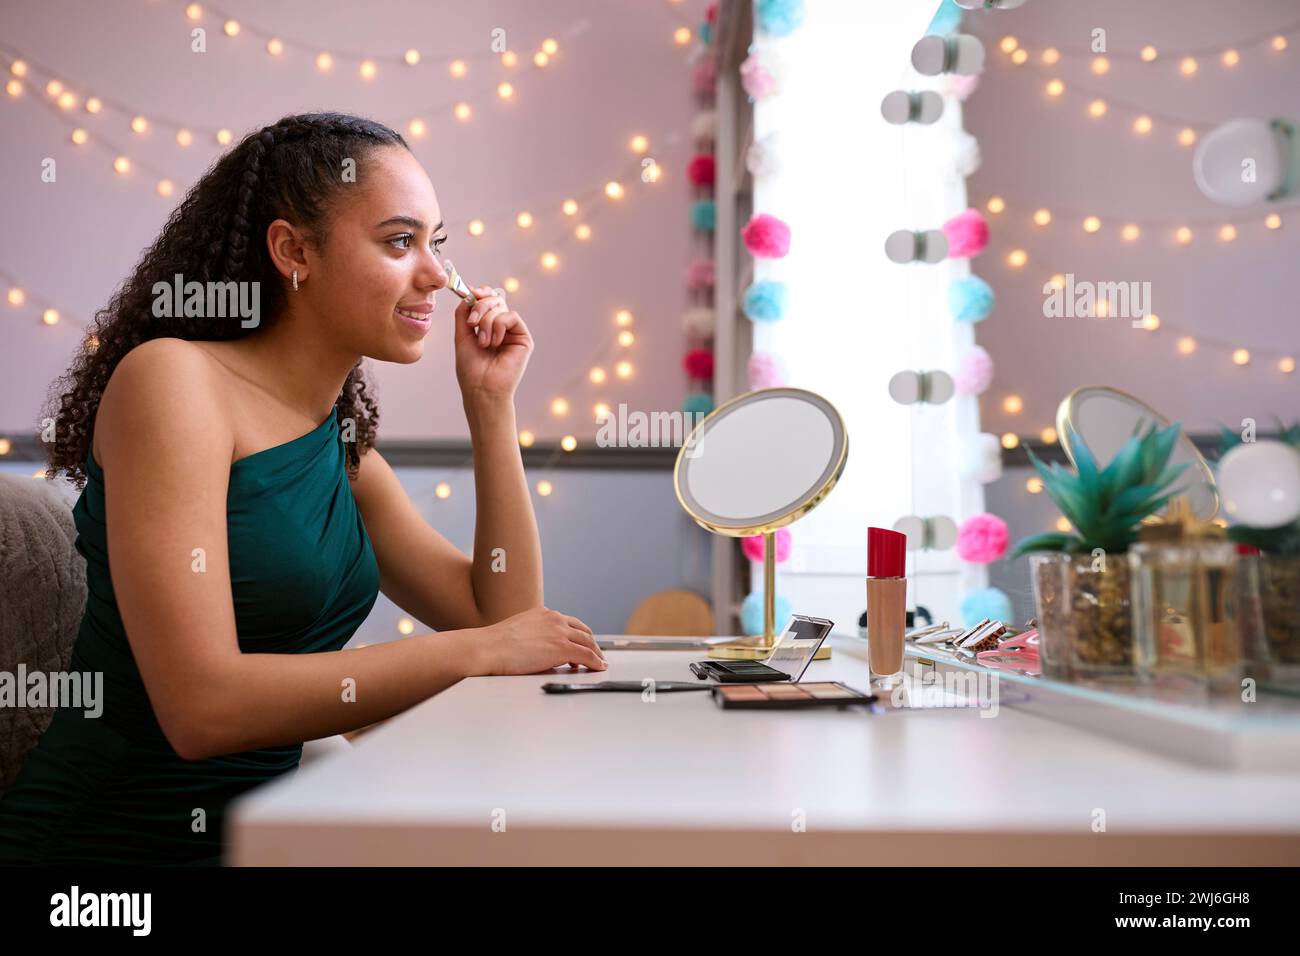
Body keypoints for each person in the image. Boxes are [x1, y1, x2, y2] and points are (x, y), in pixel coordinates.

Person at [0, 112, 607, 866]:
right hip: (109, 855)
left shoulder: (340, 446)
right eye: (398, 241)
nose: (437, 277)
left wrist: (490, 406)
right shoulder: (172, 383)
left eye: (436, 244)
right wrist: (474, 653)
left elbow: (505, 618)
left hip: (274, 840)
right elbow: (200, 708)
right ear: (293, 251)